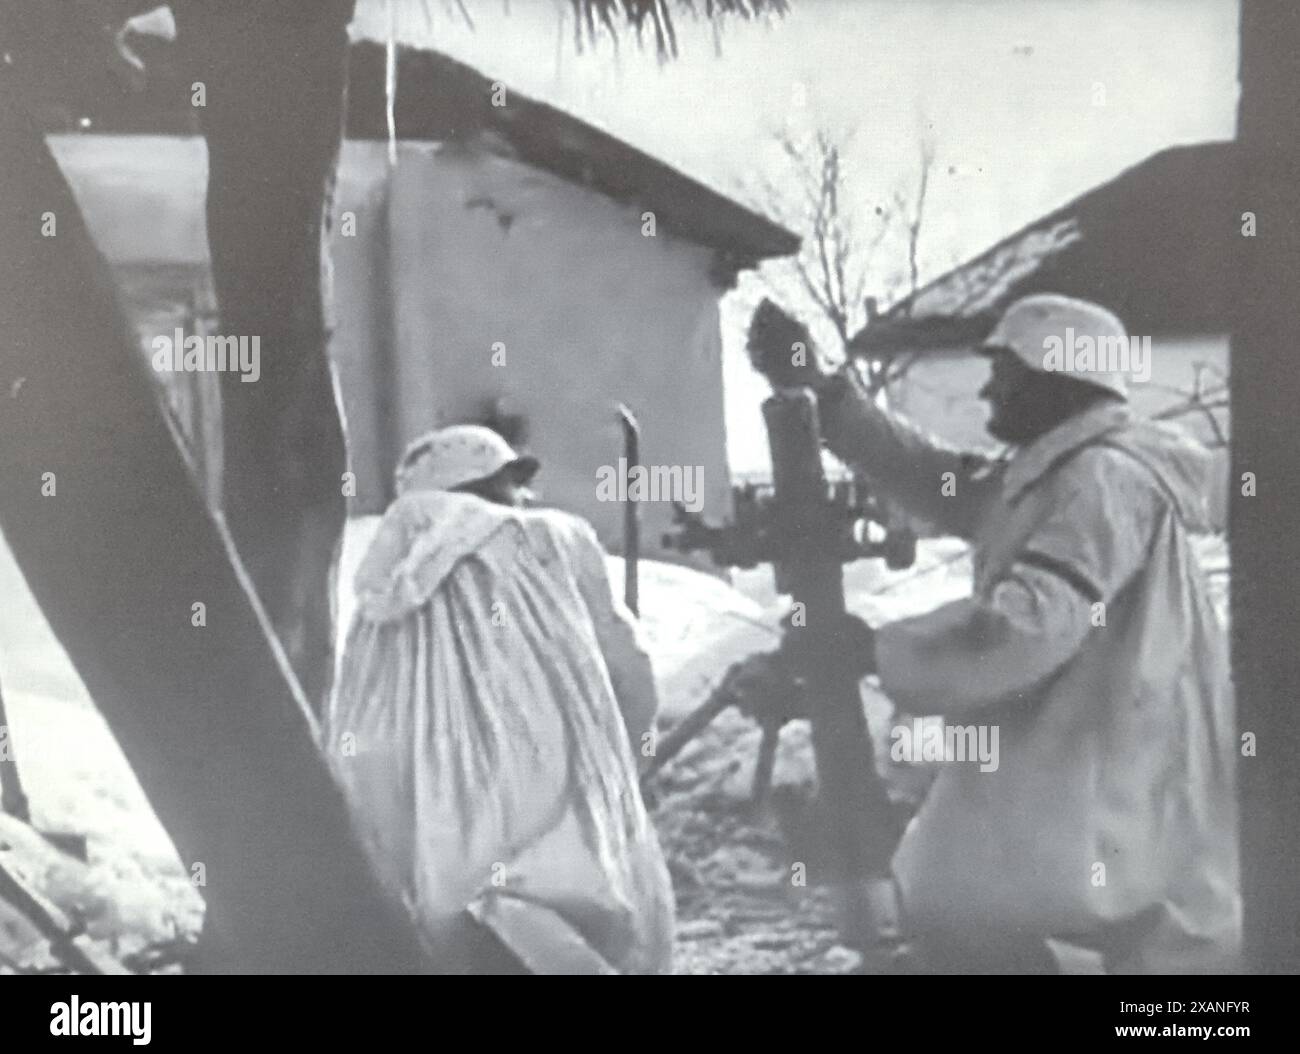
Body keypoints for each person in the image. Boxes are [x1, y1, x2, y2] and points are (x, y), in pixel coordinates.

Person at [749, 294, 1240, 974]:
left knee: (1093, 929)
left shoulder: (1102, 478)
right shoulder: (1056, 470)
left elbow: (1025, 625)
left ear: (1061, 378)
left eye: (1004, 374)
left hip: (1118, 760)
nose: (986, 389)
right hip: (1087, 748)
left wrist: (873, 649)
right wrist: (825, 390)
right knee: (984, 917)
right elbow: (935, 476)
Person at [323, 425, 673, 974]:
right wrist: (625, 750)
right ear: (485, 484)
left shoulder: (383, 578)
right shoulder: (551, 540)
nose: (524, 496)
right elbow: (626, 662)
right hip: (549, 765)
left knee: (465, 918)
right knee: (566, 903)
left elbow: (358, 723)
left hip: (433, 796)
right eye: (511, 481)